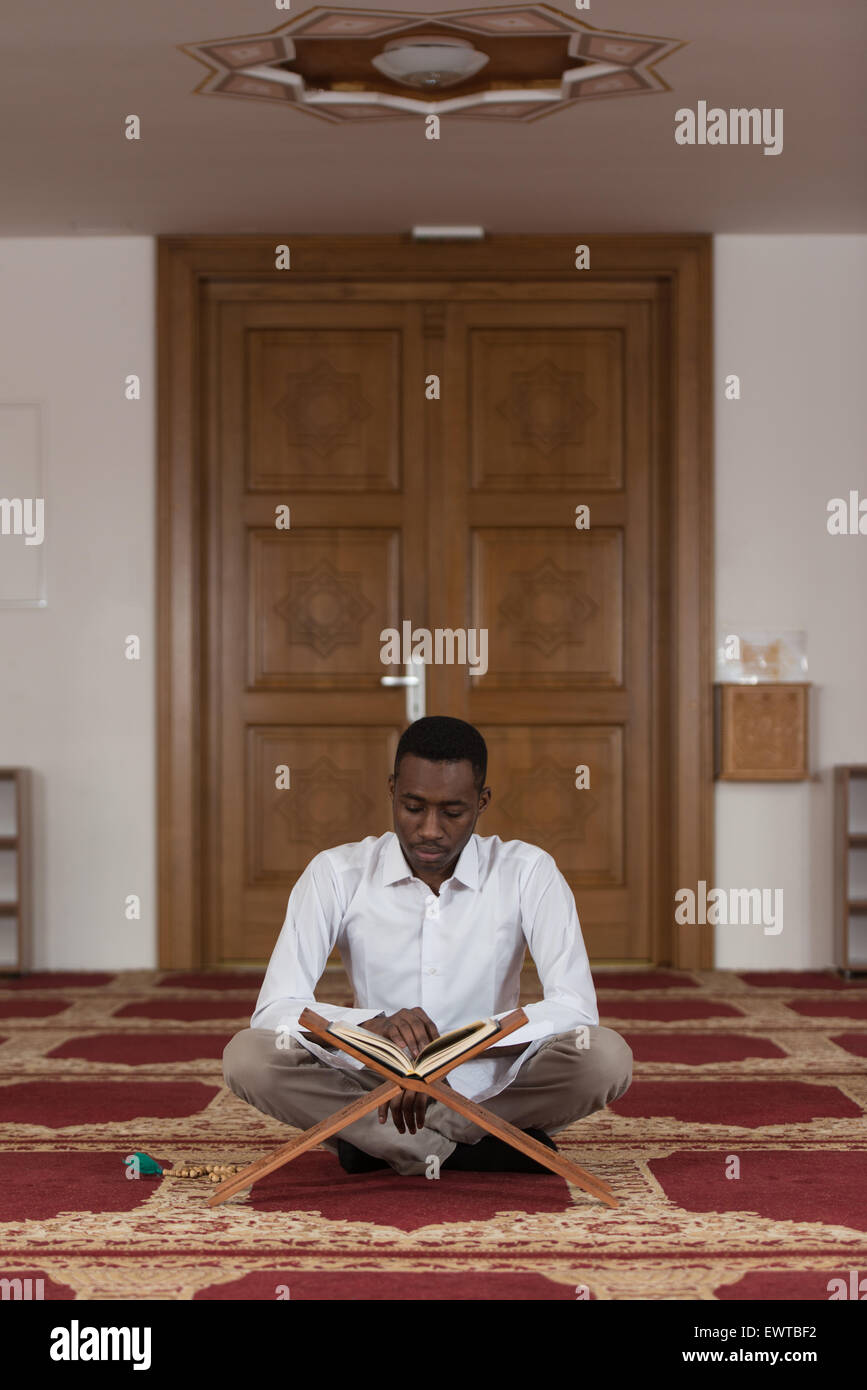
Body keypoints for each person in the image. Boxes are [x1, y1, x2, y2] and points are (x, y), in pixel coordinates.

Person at [223, 715, 632, 1176]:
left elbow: (575, 1009)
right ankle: (474, 1148)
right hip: (374, 1079)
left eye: (452, 812)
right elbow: (275, 1009)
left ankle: (382, 1141)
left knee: (604, 1057)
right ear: (392, 790)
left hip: (490, 1079)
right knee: (250, 1056)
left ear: (482, 802)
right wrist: (371, 1028)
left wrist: (471, 1042)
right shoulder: (336, 872)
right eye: (413, 807)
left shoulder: (528, 871)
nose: (430, 830)